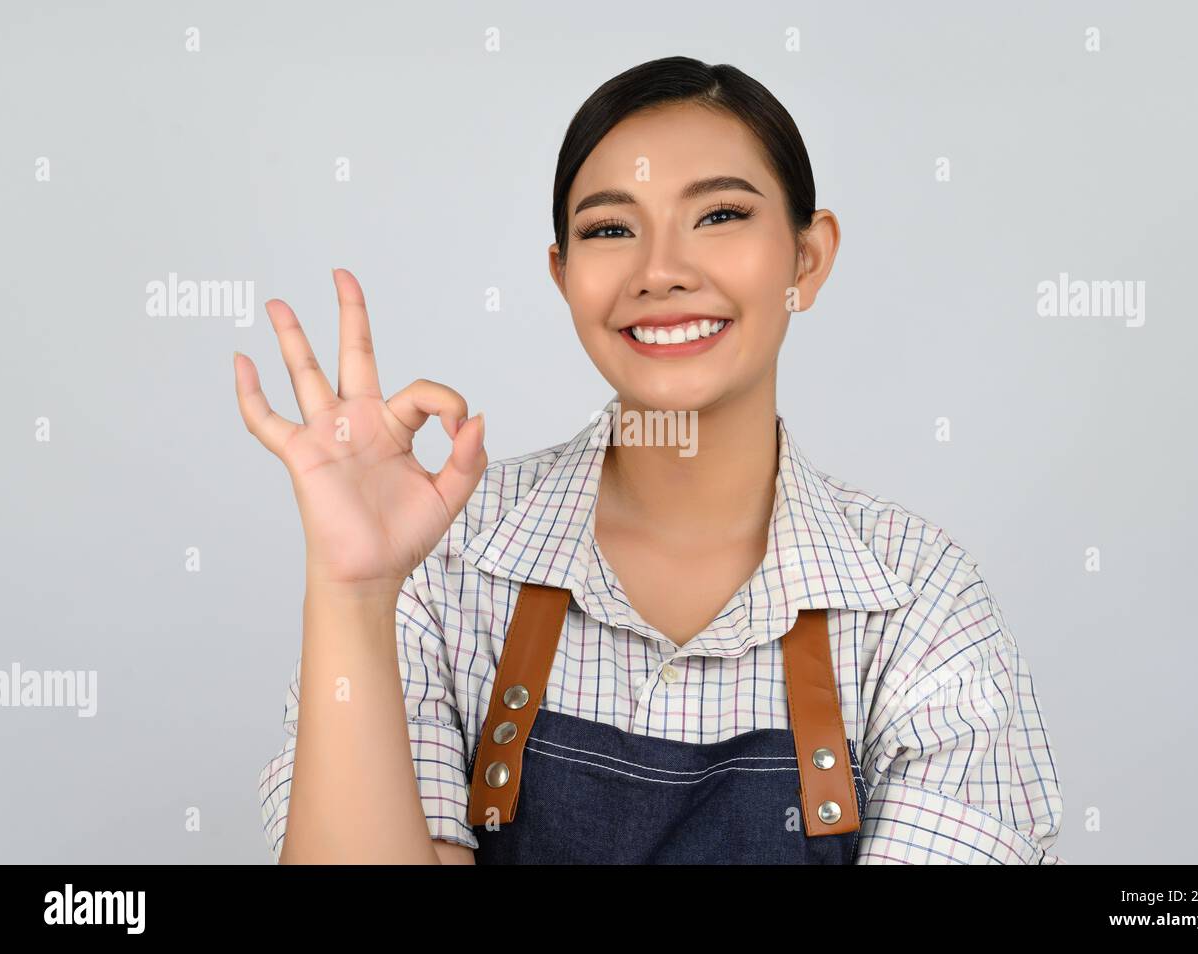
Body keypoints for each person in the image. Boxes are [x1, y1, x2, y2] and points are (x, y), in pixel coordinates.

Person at [240, 56, 1064, 864]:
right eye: (610, 229)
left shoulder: (920, 605)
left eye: (720, 216)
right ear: (564, 275)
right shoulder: (441, 559)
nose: (661, 271)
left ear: (806, 261)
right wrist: (355, 591)